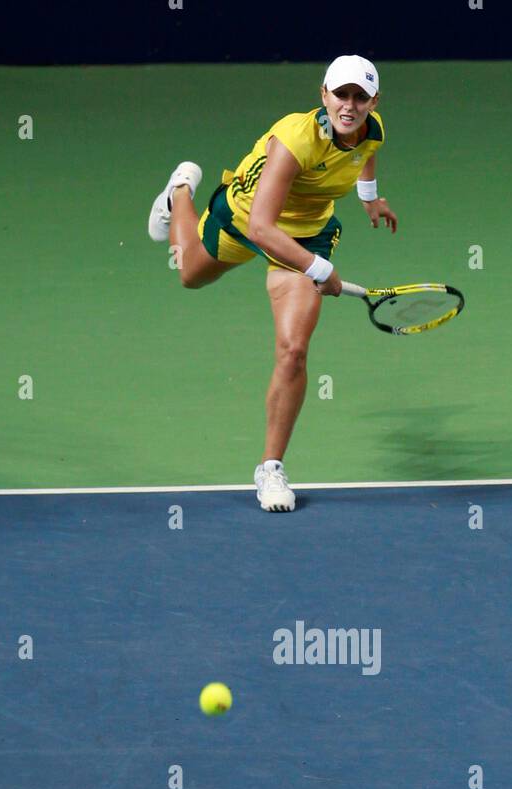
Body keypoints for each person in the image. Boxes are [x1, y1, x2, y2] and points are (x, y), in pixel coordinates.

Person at [148, 54, 398, 513]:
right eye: (340, 94)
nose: (349, 105)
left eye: (360, 97)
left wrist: (370, 199)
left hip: (307, 235)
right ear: (323, 96)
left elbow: (365, 157)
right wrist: (321, 271)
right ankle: (180, 190)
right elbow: (263, 228)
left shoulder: (372, 128)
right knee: (189, 275)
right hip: (247, 219)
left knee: (294, 349)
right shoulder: (294, 139)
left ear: (373, 102)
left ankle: (270, 467)